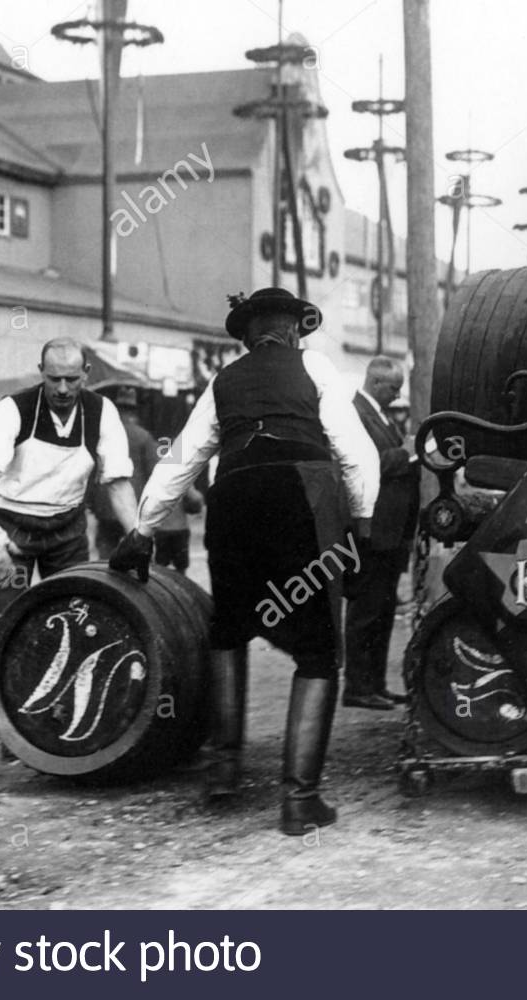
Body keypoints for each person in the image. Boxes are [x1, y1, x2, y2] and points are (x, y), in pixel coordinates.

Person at [110, 288, 378, 835]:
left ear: (249, 335)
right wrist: (363, 522)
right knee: (320, 648)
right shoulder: (315, 365)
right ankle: (300, 800)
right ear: (295, 330)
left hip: (232, 500)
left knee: (228, 628)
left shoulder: (224, 381)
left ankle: (224, 769)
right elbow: (353, 449)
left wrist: (142, 528)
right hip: (300, 496)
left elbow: (182, 458)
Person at [0, 338, 135, 619]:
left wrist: (137, 535)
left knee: (74, 618)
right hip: (11, 528)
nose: (62, 389)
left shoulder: (102, 412)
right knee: (8, 622)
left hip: (66, 530)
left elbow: (118, 483)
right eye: (53, 379)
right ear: (40, 371)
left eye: (71, 379)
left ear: (86, 372)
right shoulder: (13, 408)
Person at [343, 357, 420, 710]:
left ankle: (375, 684)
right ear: (375, 383)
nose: (399, 393)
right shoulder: (355, 415)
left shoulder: (380, 415)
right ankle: (358, 686)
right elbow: (364, 465)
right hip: (370, 531)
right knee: (366, 611)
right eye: (394, 387)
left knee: (384, 610)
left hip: (389, 532)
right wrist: (405, 453)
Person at [91, 385, 158, 559]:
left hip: (105, 505)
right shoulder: (144, 436)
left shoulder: (102, 433)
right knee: (135, 554)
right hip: (133, 506)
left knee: (105, 555)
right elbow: (154, 472)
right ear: (134, 411)